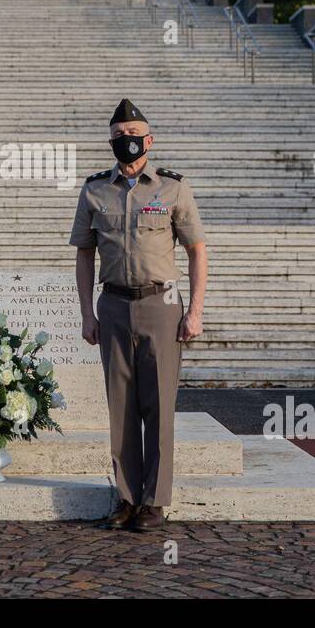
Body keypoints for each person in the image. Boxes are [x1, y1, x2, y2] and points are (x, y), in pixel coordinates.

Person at [69, 99, 207, 531]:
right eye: (119, 136)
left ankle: (154, 500)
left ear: (149, 140)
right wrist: (86, 313)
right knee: (121, 406)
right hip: (112, 304)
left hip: (160, 305)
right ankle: (126, 497)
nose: (126, 141)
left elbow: (197, 251)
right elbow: (84, 254)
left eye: (134, 134)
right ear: (111, 141)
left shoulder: (173, 189)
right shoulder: (94, 190)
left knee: (159, 404)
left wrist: (196, 309)